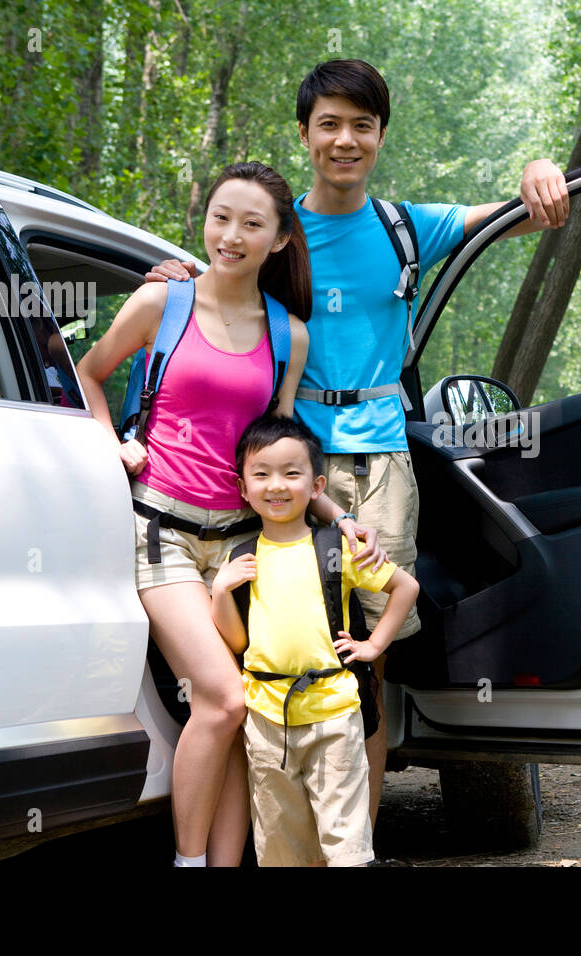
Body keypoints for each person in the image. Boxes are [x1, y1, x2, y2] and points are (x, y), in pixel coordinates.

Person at [147, 58, 569, 828]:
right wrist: (171, 273)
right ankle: (279, 836)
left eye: (362, 126)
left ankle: (357, 839)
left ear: (379, 137)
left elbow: (519, 212)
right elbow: (212, 289)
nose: (345, 140)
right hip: (288, 466)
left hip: (382, 467)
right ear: (306, 135)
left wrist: (541, 169)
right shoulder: (277, 232)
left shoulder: (406, 228)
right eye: (329, 125)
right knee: (270, 650)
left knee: (365, 665)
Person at [77, 161, 382, 867]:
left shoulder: (290, 335)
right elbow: (91, 373)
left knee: (247, 707)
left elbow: (283, 452)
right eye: (221, 217)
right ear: (205, 220)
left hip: (246, 540)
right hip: (163, 530)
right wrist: (113, 442)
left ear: (279, 240)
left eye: (252, 224)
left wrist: (338, 518)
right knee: (221, 698)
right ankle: (188, 862)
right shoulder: (164, 304)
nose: (231, 235)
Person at [211, 414, 419, 866]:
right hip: (267, 719)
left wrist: (373, 647)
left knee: (345, 838)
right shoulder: (243, 557)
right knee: (281, 842)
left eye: (291, 473)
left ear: (317, 484)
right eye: (261, 474)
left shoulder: (334, 548)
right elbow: (236, 639)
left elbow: (405, 587)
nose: (277, 485)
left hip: (334, 714)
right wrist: (220, 590)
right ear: (243, 489)